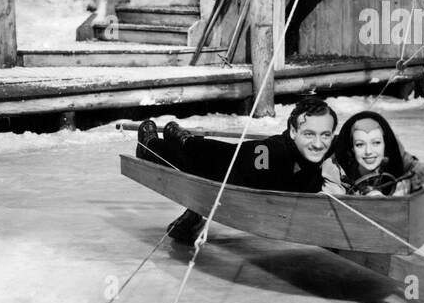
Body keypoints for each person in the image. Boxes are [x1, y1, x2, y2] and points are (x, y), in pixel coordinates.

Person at [136, 95, 338, 244]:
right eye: (309, 134)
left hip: (248, 168)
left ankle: (183, 139)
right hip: (229, 170)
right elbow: (231, 166)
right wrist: (199, 205)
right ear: (294, 132)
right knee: (198, 160)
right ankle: (155, 144)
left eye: (326, 135)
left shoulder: (328, 147)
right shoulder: (271, 153)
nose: (319, 144)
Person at [322, 110, 424, 197]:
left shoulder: (398, 163)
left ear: (384, 146)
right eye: (360, 145)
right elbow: (328, 199)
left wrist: (411, 166)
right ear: (352, 149)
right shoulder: (335, 169)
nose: (369, 152)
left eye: (376, 143)